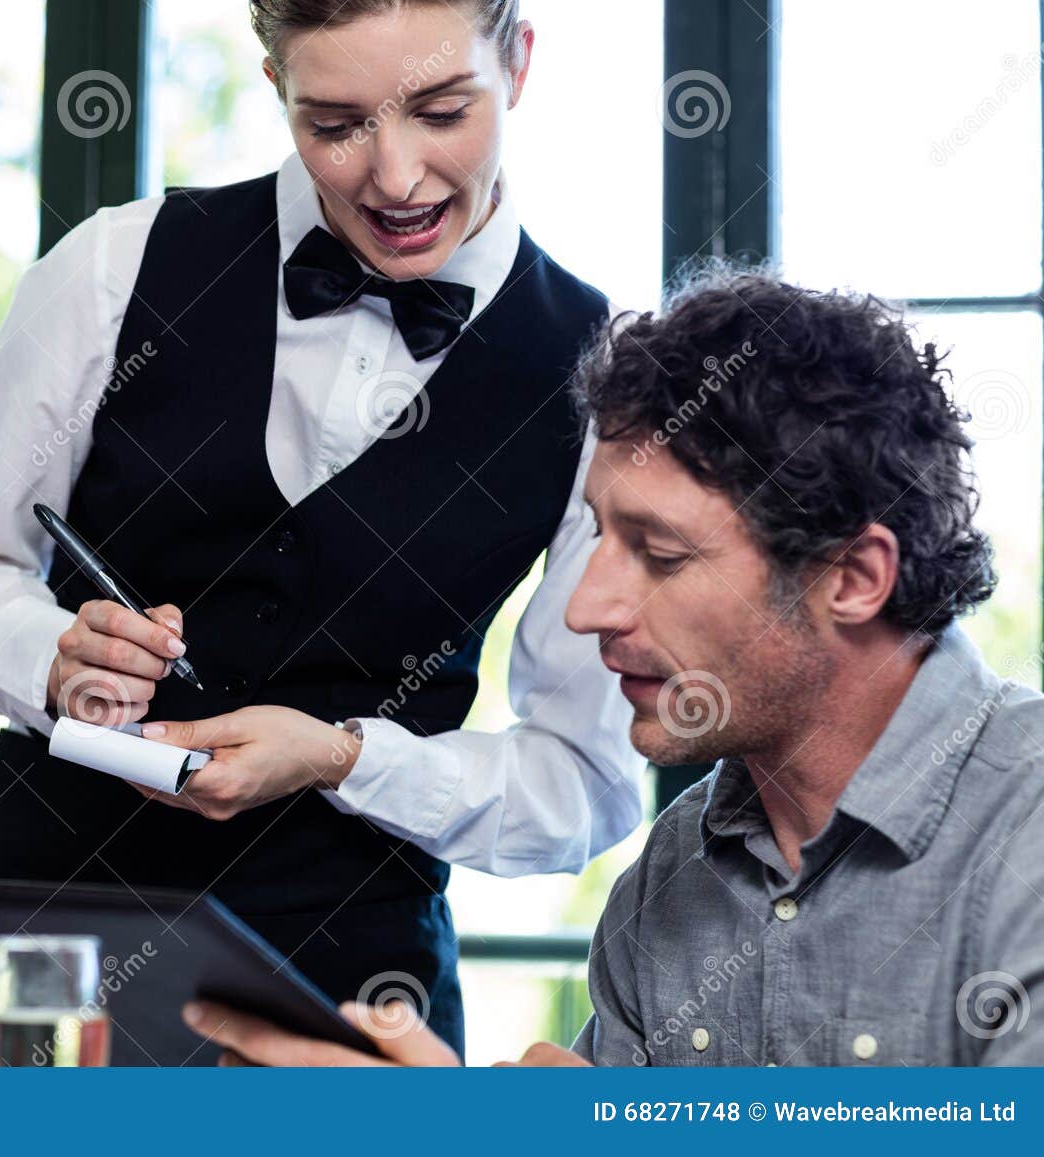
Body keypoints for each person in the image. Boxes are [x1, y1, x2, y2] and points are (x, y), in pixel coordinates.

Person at [0, 0, 643, 1063]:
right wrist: (49, 657)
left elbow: (582, 782)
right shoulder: (111, 267)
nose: (395, 178)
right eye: (334, 124)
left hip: (352, 990)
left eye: (441, 113)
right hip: (54, 933)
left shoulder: (602, 375)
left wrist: (345, 758)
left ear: (517, 64)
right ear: (275, 85)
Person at [178, 269, 1044, 1067]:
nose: (586, 608)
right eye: (598, 533)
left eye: (660, 554)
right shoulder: (675, 873)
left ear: (852, 578)